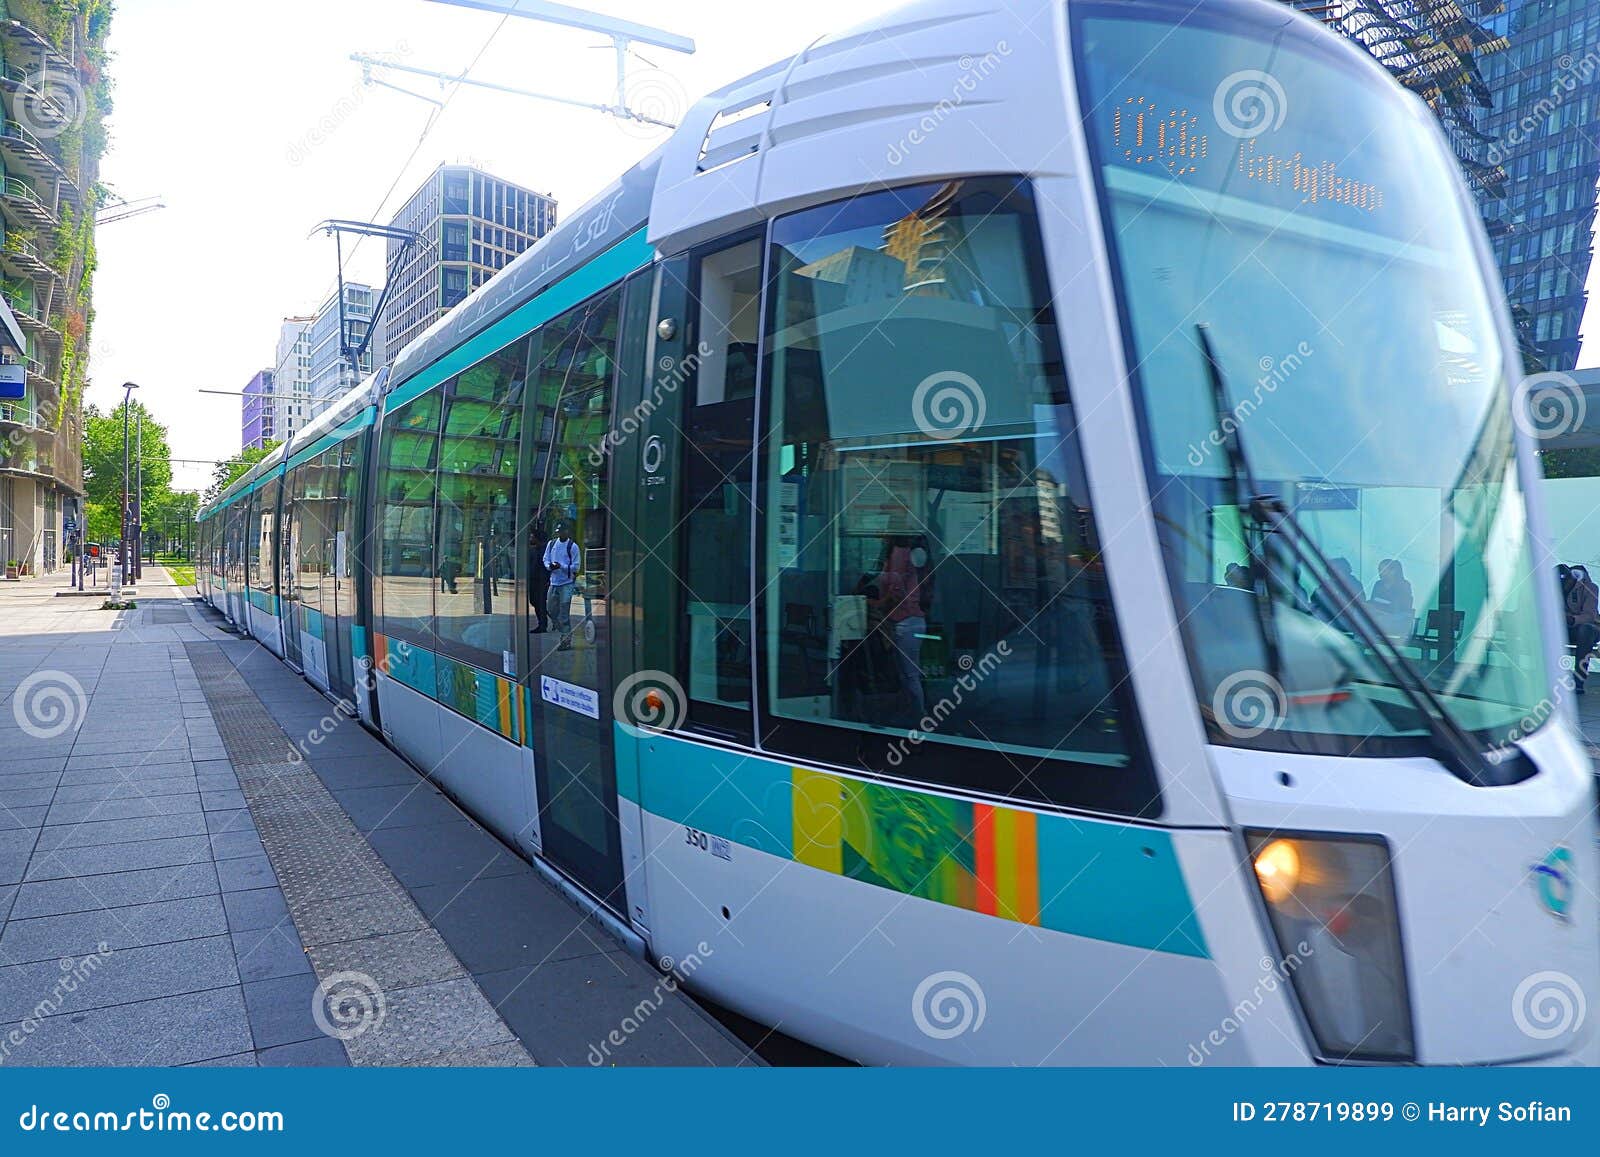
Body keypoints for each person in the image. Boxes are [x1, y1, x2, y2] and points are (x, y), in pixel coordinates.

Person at [871, 540, 930, 720]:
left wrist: (875, 604)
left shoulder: (899, 553)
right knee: (906, 675)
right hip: (909, 621)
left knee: (909, 675)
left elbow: (895, 593)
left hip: (906, 621)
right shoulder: (901, 556)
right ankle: (913, 712)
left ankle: (920, 714)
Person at [543, 523, 581, 651]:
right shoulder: (552, 544)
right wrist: (550, 566)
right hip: (554, 581)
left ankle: (565, 638)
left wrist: (562, 567)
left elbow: (576, 567)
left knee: (564, 613)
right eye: (558, 532)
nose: (560, 534)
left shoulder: (573, 547)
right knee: (550, 610)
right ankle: (563, 629)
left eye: (562, 531)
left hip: (566, 583)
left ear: (568, 531)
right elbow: (545, 559)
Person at [1562, 564, 1599, 694]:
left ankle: (1578, 680)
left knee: (1585, 630)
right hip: (1568, 629)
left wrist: (1572, 619)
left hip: (1591, 628)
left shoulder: (1590, 588)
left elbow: (1589, 615)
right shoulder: (1556, 589)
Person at [1367, 558, 1414, 638]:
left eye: (1383, 570)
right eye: (1379, 569)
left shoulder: (1404, 585)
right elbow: (1373, 601)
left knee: (1377, 620)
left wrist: (1384, 609)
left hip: (1397, 620)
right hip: (1379, 616)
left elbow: (1405, 607)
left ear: (1393, 571)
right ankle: (1359, 644)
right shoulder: (1378, 584)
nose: (1380, 572)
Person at [527, 523, 550, 633]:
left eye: (532, 537)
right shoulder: (532, 550)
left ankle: (543, 624)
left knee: (540, 602)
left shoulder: (544, 550)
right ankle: (547, 617)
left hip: (541, 580)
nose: (530, 538)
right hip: (533, 580)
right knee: (534, 601)